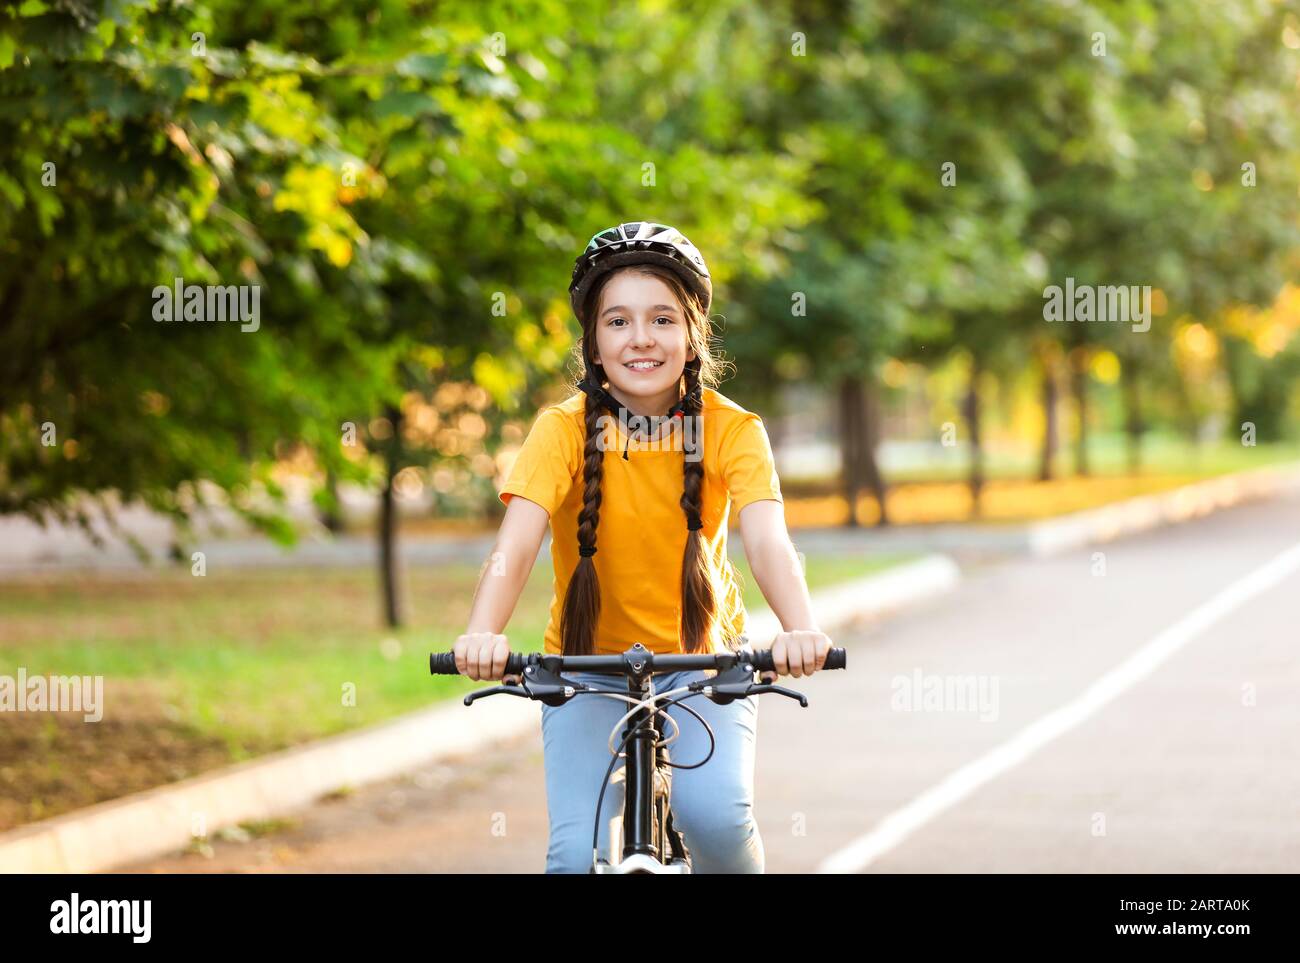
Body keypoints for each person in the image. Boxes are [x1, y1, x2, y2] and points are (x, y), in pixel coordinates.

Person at [455, 221, 833, 873]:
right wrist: (481, 632)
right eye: (618, 321)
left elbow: (768, 541)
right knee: (571, 856)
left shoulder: (733, 429)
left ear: (692, 336)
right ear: (593, 343)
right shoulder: (562, 430)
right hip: (584, 667)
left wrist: (801, 628)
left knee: (715, 820)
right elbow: (513, 548)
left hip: (703, 666)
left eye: (661, 319)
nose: (641, 339)